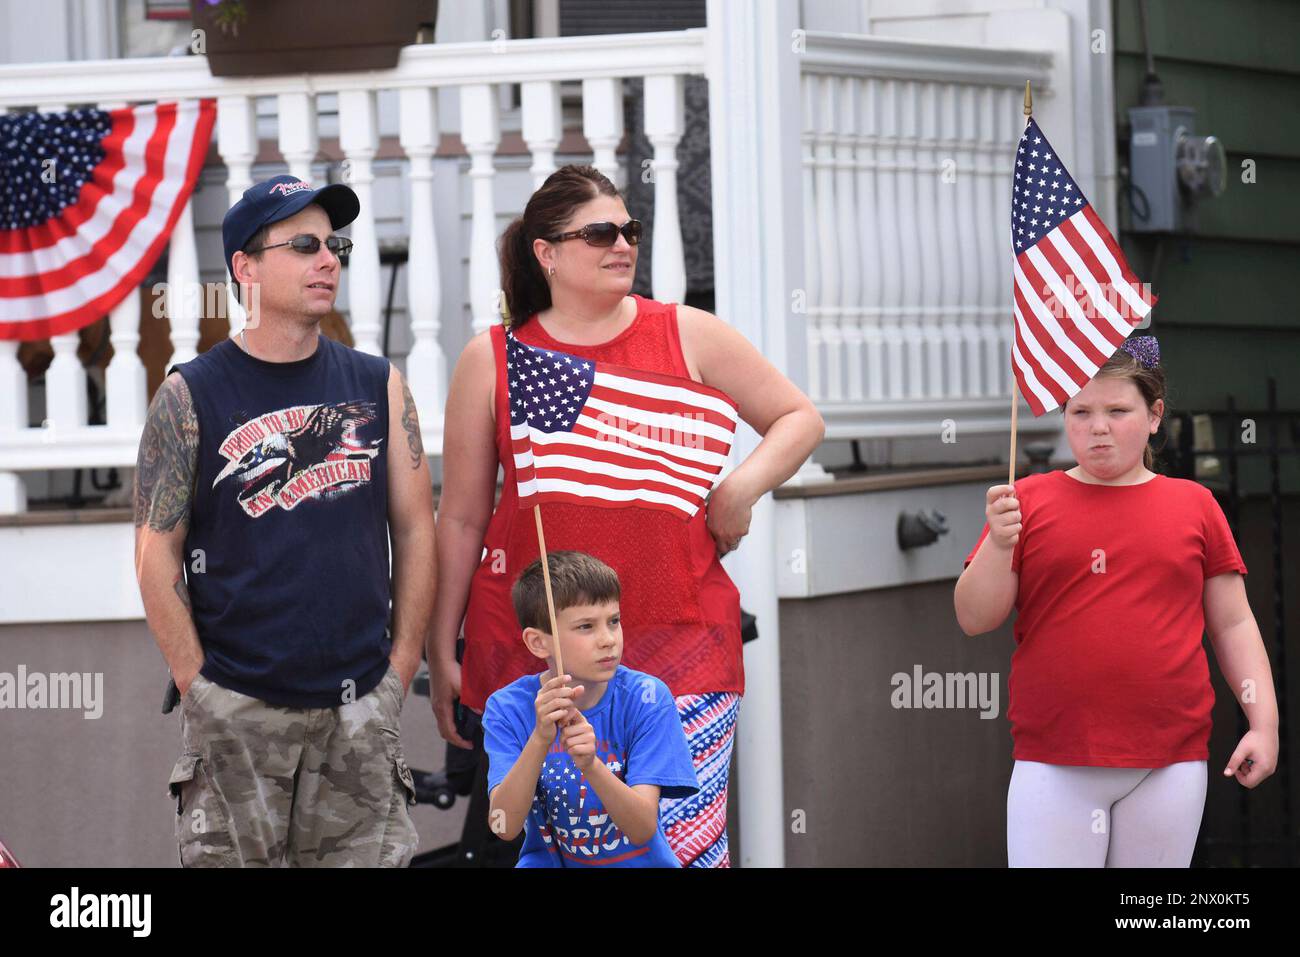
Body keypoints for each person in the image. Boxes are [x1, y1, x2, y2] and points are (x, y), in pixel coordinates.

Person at [429, 164, 824, 867]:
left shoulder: (690, 334)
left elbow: (799, 417)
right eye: (602, 233)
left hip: (683, 651)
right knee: (568, 853)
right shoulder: (492, 360)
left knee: (680, 852)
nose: (624, 244)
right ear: (546, 253)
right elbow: (460, 519)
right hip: (538, 660)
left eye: (629, 229)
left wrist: (739, 489)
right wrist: (441, 642)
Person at [133, 174, 436, 867]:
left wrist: (401, 667)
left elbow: (417, 528)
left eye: (335, 245)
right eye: (304, 245)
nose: (328, 259)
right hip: (238, 714)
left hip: (358, 711)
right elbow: (156, 554)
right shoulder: (190, 394)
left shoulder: (377, 384)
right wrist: (199, 686)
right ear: (245, 266)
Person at [953, 336, 1278, 867]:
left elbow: (1234, 623)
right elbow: (973, 618)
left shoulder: (1194, 505)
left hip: (1169, 760)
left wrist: (1263, 723)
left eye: (1117, 410)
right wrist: (998, 542)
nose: (1097, 427)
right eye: (1080, 411)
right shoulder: (1026, 501)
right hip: (1054, 759)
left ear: (1154, 417)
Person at [483, 550, 700, 867]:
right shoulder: (506, 708)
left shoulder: (646, 697)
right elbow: (503, 826)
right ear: (538, 642)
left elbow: (641, 828)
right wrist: (540, 739)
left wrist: (591, 765)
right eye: (586, 626)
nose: (608, 639)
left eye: (614, 621)